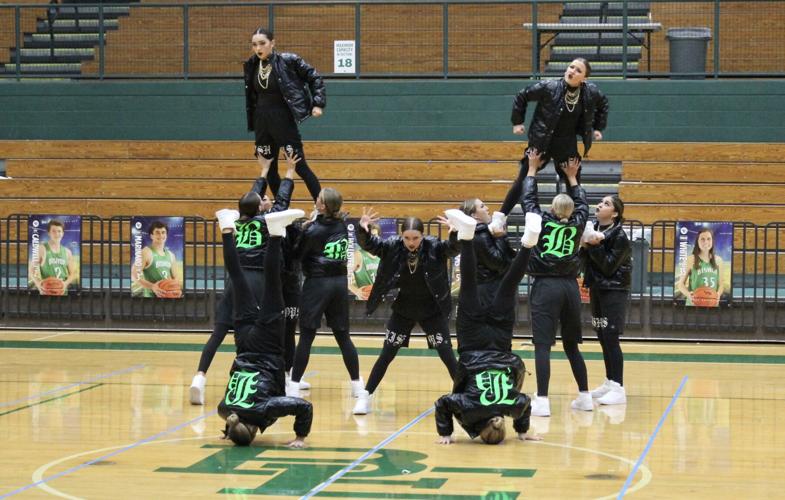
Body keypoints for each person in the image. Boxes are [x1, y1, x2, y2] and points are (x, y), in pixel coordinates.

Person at [190, 151, 300, 405]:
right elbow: (282, 201)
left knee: (218, 331)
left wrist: (263, 171)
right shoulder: (266, 222)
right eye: (262, 200)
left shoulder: (238, 222)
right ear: (260, 206)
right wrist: (289, 173)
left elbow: (249, 198)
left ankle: (199, 377)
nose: (265, 200)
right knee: (262, 330)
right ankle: (271, 377)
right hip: (259, 282)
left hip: (235, 281)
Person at [433, 209, 542, 444]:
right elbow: (444, 402)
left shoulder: (511, 407)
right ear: (480, 430)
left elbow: (525, 401)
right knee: (469, 284)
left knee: (509, 284)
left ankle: (528, 243)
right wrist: (446, 434)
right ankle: (468, 235)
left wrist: (522, 431)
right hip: (471, 343)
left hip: (501, 343)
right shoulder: (470, 409)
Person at [213, 206, 312, 448]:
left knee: (273, 284)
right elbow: (233, 413)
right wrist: (228, 430)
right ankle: (226, 227)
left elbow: (304, 406)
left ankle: (276, 233)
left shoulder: (263, 410)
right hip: (243, 345)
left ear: (255, 431)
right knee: (237, 278)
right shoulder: (224, 409)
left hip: (267, 347)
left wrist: (300, 437)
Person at [352, 213, 459, 415]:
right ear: (401, 237)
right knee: (386, 354)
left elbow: (453, 248)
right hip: (404, 309)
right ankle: (365, 397)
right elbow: (371, 245)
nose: (411, 242)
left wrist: (454, 234)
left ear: (423, 235)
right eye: (407, 238)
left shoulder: (434, 246)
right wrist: (363, 230)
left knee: (447, 355)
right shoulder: (392, 246)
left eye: (416, 238)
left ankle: (464, 395)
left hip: (431, 310)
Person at [490, 58, 609, 233]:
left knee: (573, 181)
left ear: (584, 78)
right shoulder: (549, 86)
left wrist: (598, 127)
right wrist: (517, 122)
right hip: (540, 141)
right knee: (522, 180)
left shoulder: (590, 92)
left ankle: (581, 226)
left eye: (578, 70)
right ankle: (500, 218)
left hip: (566, 143)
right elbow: (522, 95)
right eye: (571, 67)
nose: (572, 71)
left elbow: (603, 103)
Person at [523, 149, 592, 417]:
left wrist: (531, 169)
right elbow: (584, 204)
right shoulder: (577, 222)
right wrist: (573, 178)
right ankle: (585, 396)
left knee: (542, 345)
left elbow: (529, 201)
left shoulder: (542, 221)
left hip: (546, 286)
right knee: (571, 345)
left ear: (552, 208)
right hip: (570, 288)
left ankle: (542, 399)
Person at [287, 188, 363, 398]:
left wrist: (303, 230)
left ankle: (293, 385)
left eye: (318, 199)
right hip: (339, 284)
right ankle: (357, 384)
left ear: (323, 206)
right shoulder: (343, 225)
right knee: (343, 336)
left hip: (317, 284)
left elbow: (296, 255)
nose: (315, 201)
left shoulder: (313, 230)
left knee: (306, 337)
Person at [244, 27, 325, 202]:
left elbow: (314, 77)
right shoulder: (251, 65)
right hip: (261, 121)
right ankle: (280, 209)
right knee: (269, 168)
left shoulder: (289, 60)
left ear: (272, 43)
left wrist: (318, 103)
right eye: (254, 44)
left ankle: (324, 209)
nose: (258, 48)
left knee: (299, 165)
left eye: (262, 43)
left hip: (283, 120)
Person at [581, 195, 632, 406]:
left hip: (614, 291)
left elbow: (609, 266)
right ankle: (610, 382)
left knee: (611, 336)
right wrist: (585, 246)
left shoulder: (619, 235)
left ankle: (618, 387)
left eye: (607, 204)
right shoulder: (594, 230)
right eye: (601, 202)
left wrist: (594, 246)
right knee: (602, 335)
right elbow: (586, 262)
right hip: (597, 289)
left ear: (615, 213)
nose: (600, 205)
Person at [460, 198, 515, 308]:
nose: (487, 208)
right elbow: (498, 263)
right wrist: (500, 238)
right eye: (482, 206)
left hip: (487, 287)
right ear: (474, 215)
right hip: (488, 289)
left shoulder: (480, 232)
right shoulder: (480, 235)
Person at [130, 221, 181, 298]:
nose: (161, 235)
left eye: (163, 232)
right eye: (157, 232)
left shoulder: (171, 255)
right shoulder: (146, 252)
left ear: (166, 235)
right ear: (151, 236)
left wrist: (175, 289)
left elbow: (176, 277)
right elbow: (134, 275)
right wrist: (152, 286)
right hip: (151, 298)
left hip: (168, 297)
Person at [676, 228, 725, 307]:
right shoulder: (691, 259)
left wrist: (718, 295)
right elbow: (680, 284)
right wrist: (688, 294)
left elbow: (721, 284)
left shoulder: (718, 260)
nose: (706, 242)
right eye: (702, 239)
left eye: (709, 239)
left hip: (712, 303)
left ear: (712, 241)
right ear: (697, 242)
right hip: (694, 304)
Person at [29, 219, 78, 296]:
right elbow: (31, 271)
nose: (57, 234)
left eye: (59, 231)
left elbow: (72, 274)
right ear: (49, 233)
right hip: (46, 292)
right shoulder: (41, 249)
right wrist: (38, 284)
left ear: (63, 233)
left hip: (62, 293)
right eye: (54, 231)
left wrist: (65, 284)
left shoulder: (67, 252)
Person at [348, 222, 382, 301]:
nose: (373, 239)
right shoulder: (358, 255)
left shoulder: (383, 254)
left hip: (380, 301)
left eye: (375, 236)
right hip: (363, 302)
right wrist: (356, 291)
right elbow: (342, 276)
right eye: (370, 236)